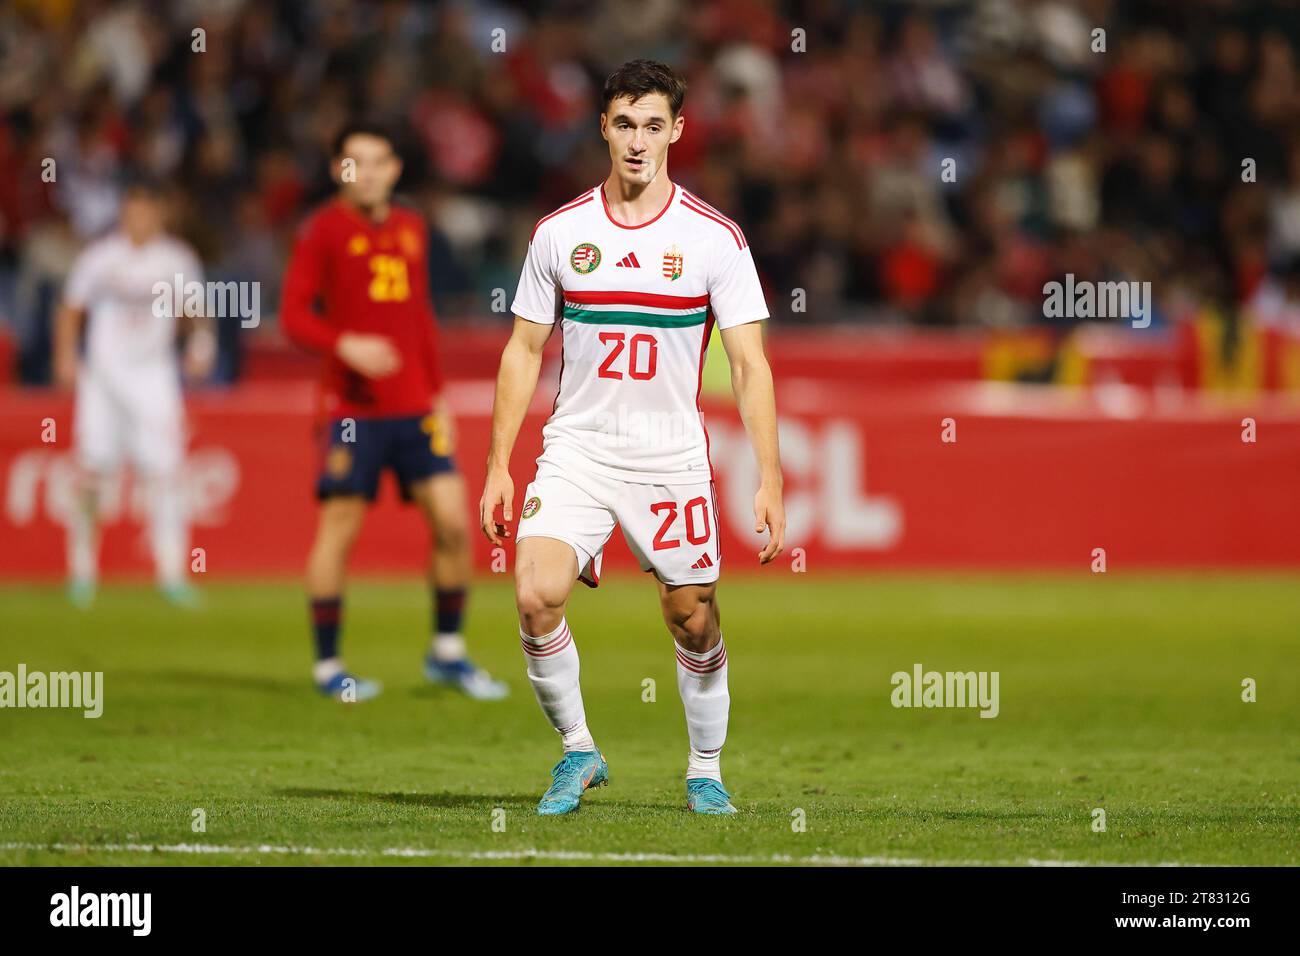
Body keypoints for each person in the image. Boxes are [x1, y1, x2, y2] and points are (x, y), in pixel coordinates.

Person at [480, 60, 785, 814]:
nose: (638, 142)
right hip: (577, 448)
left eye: (654, 125)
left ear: (678, 129)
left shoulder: (716, 240)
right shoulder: (560, 233)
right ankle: (578, 751)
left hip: (668, 456)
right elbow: (522, 350)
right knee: (535, 593)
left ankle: (705, 767)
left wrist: (771, 474)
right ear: (603, 129)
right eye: (624, 124)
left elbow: (749, 365)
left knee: (692, 616)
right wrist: (497, 466)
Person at [281, 123, 507, 702]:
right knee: (340, 531)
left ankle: (447, 653)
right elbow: (293, 316)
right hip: (351, 409)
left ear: (395, 168)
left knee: (455, 524)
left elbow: (418, 317)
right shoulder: (322, 231)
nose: (368, 173)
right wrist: (344, 344)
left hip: (414, 406)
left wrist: (437, 394)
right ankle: (329, 666)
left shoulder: (411, 226)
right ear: (338, 170)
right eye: (355, 163)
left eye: (379, 161)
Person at [54, 176, 213, 607]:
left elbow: (195, 311)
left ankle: (172, 572)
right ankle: (82, 570)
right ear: (123, 213)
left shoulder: (176, 259)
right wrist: (66, 356)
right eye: (132, 211)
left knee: (166, 473)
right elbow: (71, 308)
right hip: (103, 380)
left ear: (159, 213)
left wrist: (201, 346)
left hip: (154, 377)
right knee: (92, 472)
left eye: (146, 211)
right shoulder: (100, 257)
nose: (138, 219)